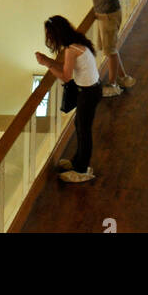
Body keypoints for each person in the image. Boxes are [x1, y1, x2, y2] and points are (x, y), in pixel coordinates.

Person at [35, 15, 101, 183]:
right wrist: (47, 61)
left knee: (83, 130)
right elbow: (66, 68)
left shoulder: (71, 50)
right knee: (79, 125)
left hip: (88, 93)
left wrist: (47, 64)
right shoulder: (77, 44)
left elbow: (65, 76)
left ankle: (82, 169)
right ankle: (78, 162)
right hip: (90, 90)